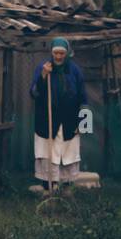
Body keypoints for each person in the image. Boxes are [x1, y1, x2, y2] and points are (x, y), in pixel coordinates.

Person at [30, 37, 87, 191]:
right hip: (47, 121)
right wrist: (43, 75)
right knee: (48, 154)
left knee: (69, 153)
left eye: (62, 53)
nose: (59, 56)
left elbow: (83, 98)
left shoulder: (75, 71)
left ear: (67, 53)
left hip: (70, 122)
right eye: (56, 53)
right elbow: (34, 93)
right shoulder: (43, 68)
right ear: (52, 53)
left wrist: (83, 125)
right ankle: (49, 188)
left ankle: (67, 188)